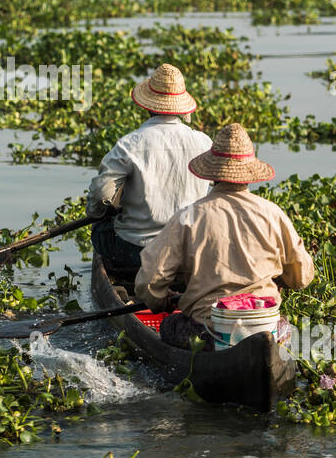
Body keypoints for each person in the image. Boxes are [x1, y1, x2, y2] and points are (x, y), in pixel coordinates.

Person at [134, 122, 315, 350]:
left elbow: (149, 281)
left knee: (169, 325)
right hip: (265, 328)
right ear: (249, 174)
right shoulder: (273, 213)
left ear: (211, 175)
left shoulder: (188, 216)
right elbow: (302, 278)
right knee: (284, 327)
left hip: (208, 331)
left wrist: (162, 301)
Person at [87, 63, 212, 272]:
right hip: (190, 251)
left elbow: (101, 195)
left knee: (100, 229)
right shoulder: (204, 142)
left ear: (147, 105)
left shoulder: (130, 144)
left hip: (136, 252)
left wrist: (99, 213)